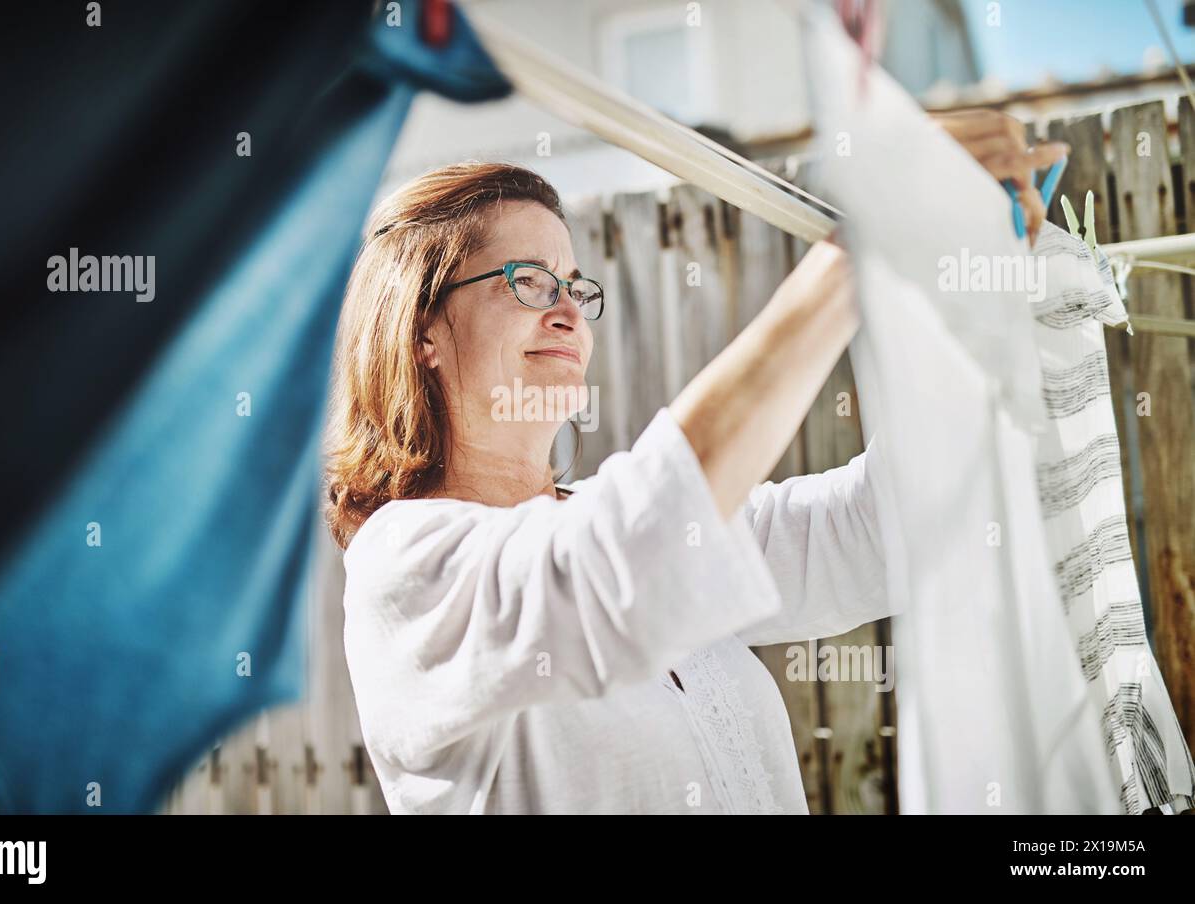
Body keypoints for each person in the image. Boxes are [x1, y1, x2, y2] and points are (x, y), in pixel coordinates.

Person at [322, 111, 1064, 814]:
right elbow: (615, 564)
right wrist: (857, 248)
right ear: (421, 327)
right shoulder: (405, 569)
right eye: (529, 281)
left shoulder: (616, 521)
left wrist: (982, 304)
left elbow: (875, 530)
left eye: (575, 287)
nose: (570, 312)